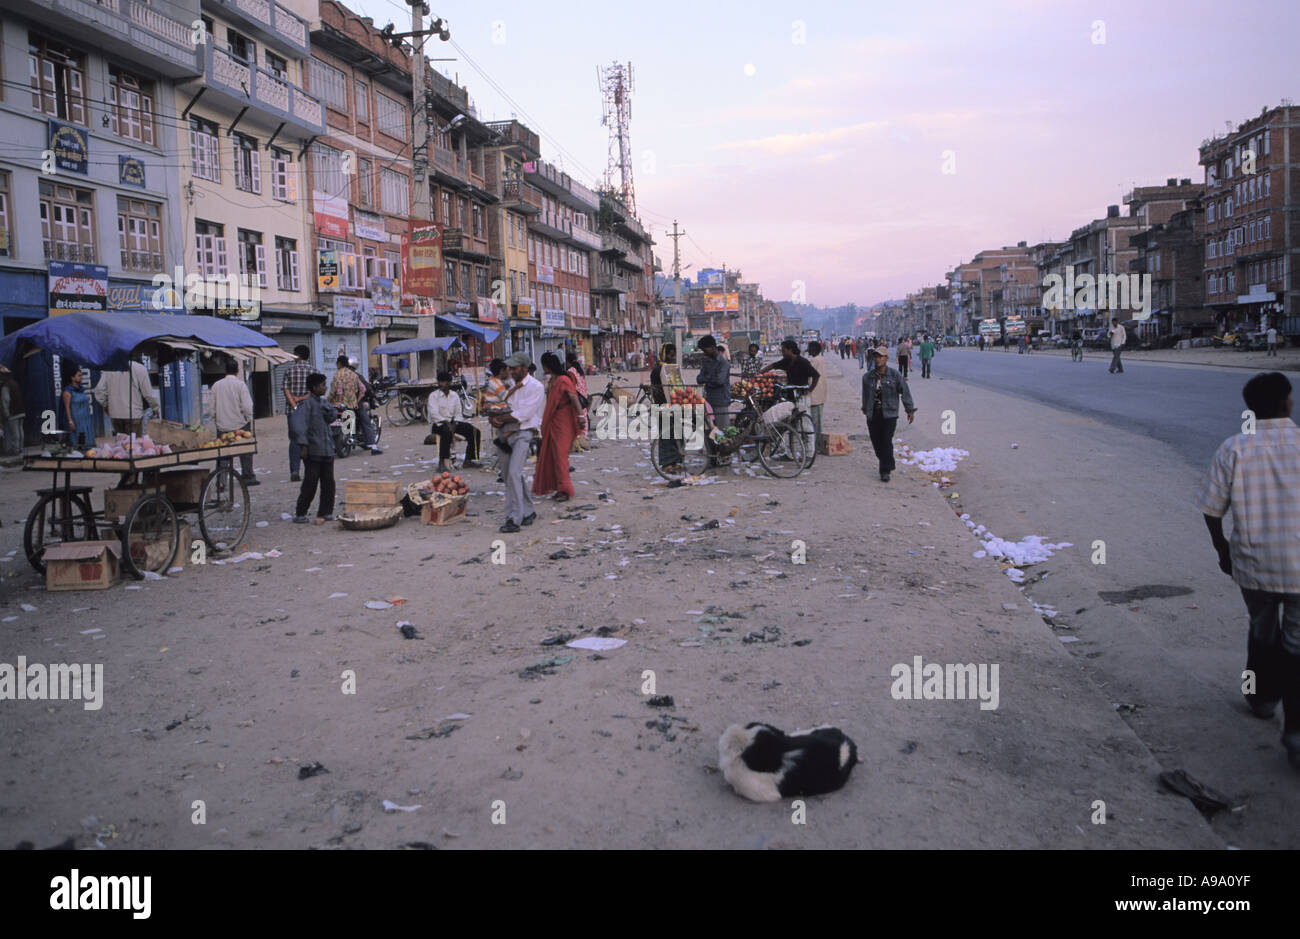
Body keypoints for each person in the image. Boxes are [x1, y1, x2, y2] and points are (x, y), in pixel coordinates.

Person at [1197, 371, 1300, 768]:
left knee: (1262, 628)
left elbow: (1210, 509)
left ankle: (1261, 699)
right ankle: (1295, 732)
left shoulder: (1235, 448)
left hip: (1254, 564)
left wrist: (1223, 550)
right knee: (1296, 643)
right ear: (1287, 402)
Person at [500, 353, 544, 533]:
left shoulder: (536, 387)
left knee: (514, 472)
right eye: (509, 368)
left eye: (514, 368)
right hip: (504, 433)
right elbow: (499, 403)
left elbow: (524, 414)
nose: (510, 371)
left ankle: (514, 518)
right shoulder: (509, 385)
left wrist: (501, 417)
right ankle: (528, 511)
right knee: (509, 475)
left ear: (525, 368)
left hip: (524, 432)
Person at [861, 346, 915, 482]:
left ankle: (884, 470)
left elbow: (905, 391)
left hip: (889, 414)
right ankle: (888, 461)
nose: (878, 359)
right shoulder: (867, 377)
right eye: (876, 356)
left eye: (881, 356)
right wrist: (865, 410)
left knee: (886, 441)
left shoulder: (895, 375)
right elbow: (865, 395)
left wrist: (909, 410)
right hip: (873, 414)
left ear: (886, 358)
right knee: (876, 443)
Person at [533, 352, 581, 504]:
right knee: (553, 455)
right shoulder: (552, 380)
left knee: (560, 456)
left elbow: (573, 397)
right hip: (553, 421)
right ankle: (558, 487)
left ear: (547, 365)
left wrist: (580, 417)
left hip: (563, 421)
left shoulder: (563, 379)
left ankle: (565, 490)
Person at [290, 373, 338, 524]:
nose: (326, 387)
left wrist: (329, 410)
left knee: (328, 483)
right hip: (313, 451)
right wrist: (303, 446)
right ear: (315, 387)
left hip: (327, 449)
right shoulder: (306, 405)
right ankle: (301, 513)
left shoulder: (323, 403)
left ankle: (326, 512)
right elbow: (298, 426)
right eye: (323, 385)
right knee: (310, 483)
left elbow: (332, 417)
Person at [213, 358, 257, 485]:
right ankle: (248, 477)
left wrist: (216, 420)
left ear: (225, 370)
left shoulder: (216, 385)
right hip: (240, 425)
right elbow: (248, 407)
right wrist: (249, 419)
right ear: (238, 371)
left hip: (222, 426)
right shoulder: (241, 385)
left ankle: (221, 481)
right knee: (245, 451)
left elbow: (211, 408)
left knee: (223, 455)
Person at [327, 355, 382, 454]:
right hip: (354, 405)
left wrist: (329, 401)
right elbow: (364, 389)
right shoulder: (355, 375)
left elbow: (335, 391)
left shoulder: (337, 375)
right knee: (366, 423)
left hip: (340, 405)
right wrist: (358, 400)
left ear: (339, 364)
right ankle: (373, 447)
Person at [428, 370, 480, 474]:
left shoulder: (454, 396)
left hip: (453, 422)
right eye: (440, 382)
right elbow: (434, 414)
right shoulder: (433, 396)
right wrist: (447, 423)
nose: (442, 384)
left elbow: (458, 413)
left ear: (449, 383)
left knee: (474, 431)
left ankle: (469, 459)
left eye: (445, 382)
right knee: (446, 432)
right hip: (438, 423)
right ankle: (442, 462)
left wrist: (455, 424)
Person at [92, 357, 158, 435]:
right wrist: (155, 407)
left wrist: (106, 405)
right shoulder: (140, 368)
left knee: (121, 444)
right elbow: (148, 393)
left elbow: (99, 390)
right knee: (134, 445)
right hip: (134, 414)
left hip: (115, 414)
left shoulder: (109, 369)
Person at [695, 335, 731, 466]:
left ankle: (724, 457)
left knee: (722, 431)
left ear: (712, 347)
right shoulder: (706, 362)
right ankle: (713, 458)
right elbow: (699, 379)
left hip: (721, 400)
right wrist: (711, 379)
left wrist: (708, 379)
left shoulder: (724, 363)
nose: (704, 353)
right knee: (709, 431)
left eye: (705, 350)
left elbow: (720, 381)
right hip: (708, 400)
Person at [650, 342, 685, 471]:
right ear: (664, 354)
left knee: (677, 433)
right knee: (666, 435)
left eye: (674, 355)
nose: (672, 357)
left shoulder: (672, 369)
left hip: (674, 405)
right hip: (662, 406)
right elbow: (659, 391)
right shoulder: (658, 370)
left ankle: (676, 462)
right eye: (670, 355)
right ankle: (666, 464)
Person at [282, 345, 312, 481]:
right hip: (308, 411)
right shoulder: (313, 371)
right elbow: (313, 392)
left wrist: (294, 404)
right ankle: (310, 470)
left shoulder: (289, 371)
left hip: (292, 411)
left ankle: (295, 470)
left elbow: (286, 390)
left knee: (294, 440)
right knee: (308, 439)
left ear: (298, 356)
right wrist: (301, 399)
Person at [482, 358, 519, 453]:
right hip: (496, 409)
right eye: (507, 370)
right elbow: (504, 395)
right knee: (517, 418)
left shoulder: (496, 381)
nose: (509, 372)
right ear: (501, 371)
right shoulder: (495, 382)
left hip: (496, 408)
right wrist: (516, 387)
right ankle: (502, 439)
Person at [61, 366, 94, 449]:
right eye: (79, 375)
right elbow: (67, 408)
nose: (81, 377)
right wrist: (70, 421)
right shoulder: (67, 392)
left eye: (81, 375)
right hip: (76, 420)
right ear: (72, 378)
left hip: (85, 420)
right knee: (77, 440)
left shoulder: (81, 389)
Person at [566, 352, 591, 450]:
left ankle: (578, 442)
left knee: (576, 419)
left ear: (568, 362)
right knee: (583, 418)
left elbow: (571, 385)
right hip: (583, 397)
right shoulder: (580, 370)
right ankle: (583, 439)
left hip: (577, 399)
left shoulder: (571, 371)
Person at [0, 363, 26, 459]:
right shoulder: (15, 383)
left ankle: (15, 450)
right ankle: (20, 448)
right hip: (21, 411)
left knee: (15, 432)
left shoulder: (6, 386)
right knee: (20, 430)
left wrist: (6, 414)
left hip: (13, 412)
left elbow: (5, 401)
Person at [805, 340, 829, 436]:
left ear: (813, 350)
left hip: (815, 394)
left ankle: (817, 443)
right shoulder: (821, 359)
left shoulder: (814, 361)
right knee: (818, 421)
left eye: (810, 350)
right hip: (820, 393)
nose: (809, 352)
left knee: (815, 422)